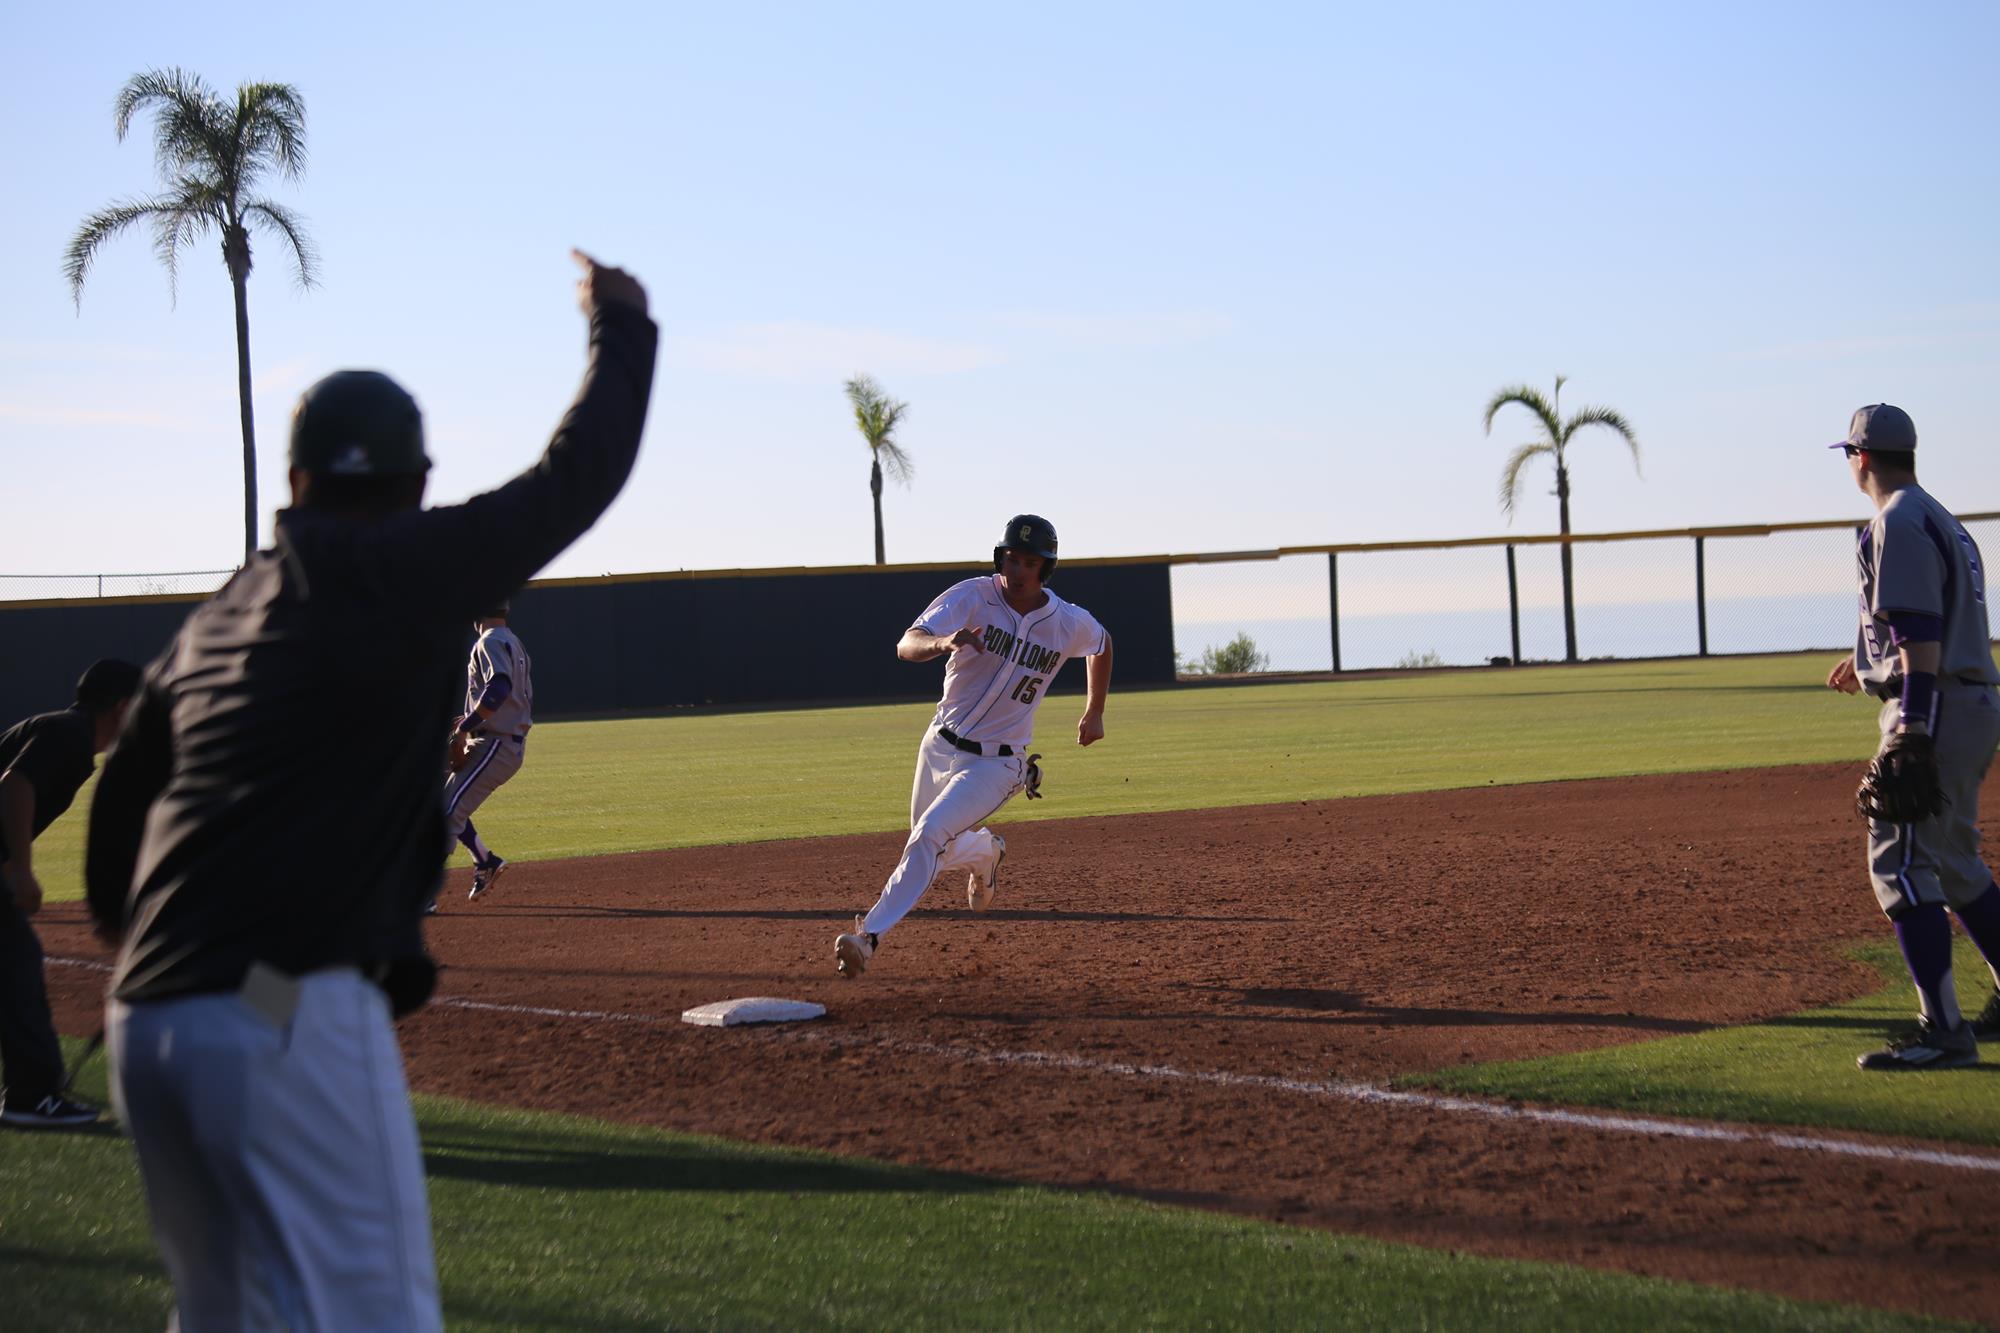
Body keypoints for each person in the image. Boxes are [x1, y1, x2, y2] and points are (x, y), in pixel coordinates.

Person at [85, 250, 656, 1329]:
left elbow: (123, 817)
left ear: (292, 484)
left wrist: (161, 960)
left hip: (148, 1020)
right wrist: (618, 324)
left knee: (225, 1316)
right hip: (283, 1007)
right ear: (413, 485)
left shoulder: (219, 617)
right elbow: (573, 479)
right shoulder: (414, 562)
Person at [835, 514, 1112, 978]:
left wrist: (1095, 709)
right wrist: (942, 642)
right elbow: (907, 643)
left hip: (998, 764)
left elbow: (1102, 645)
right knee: (932, 848)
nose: (1018, 568)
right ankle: (985, 853)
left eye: (1030, 561)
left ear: (1046, 568)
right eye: (1011, 558)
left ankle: (868, 938)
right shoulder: (972, 596)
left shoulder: (1065, 622)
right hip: (939, 744)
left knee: (928, 837)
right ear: (999, 557)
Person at [1823, 403, 2000, 1070]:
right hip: (1970, 696)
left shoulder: (1895, 519)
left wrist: (1912, 732)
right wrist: (1864, 659)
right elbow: (1916, 624)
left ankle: (1942, 1030)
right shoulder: (1939, 517)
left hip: (1935, 706)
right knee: (1954, 862)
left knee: (1899, 861)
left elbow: (1921, 635)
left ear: (1861, 457)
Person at [0, 658, 140, 1129]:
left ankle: (32, 1090)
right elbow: (14, 784)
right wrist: (22, 872)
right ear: (123, 706)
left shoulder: (69, 736)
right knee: (18, 966)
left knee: (14, 964)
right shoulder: (68, 736)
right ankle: (33, 1095)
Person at [439, 601, 533, 908]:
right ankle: (485, 861)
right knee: (443, 796)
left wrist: (465, 727)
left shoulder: (489, 640)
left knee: (447, 812)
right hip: (500, 739)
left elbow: (499, 689)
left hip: (496, 743)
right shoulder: (512, 640)